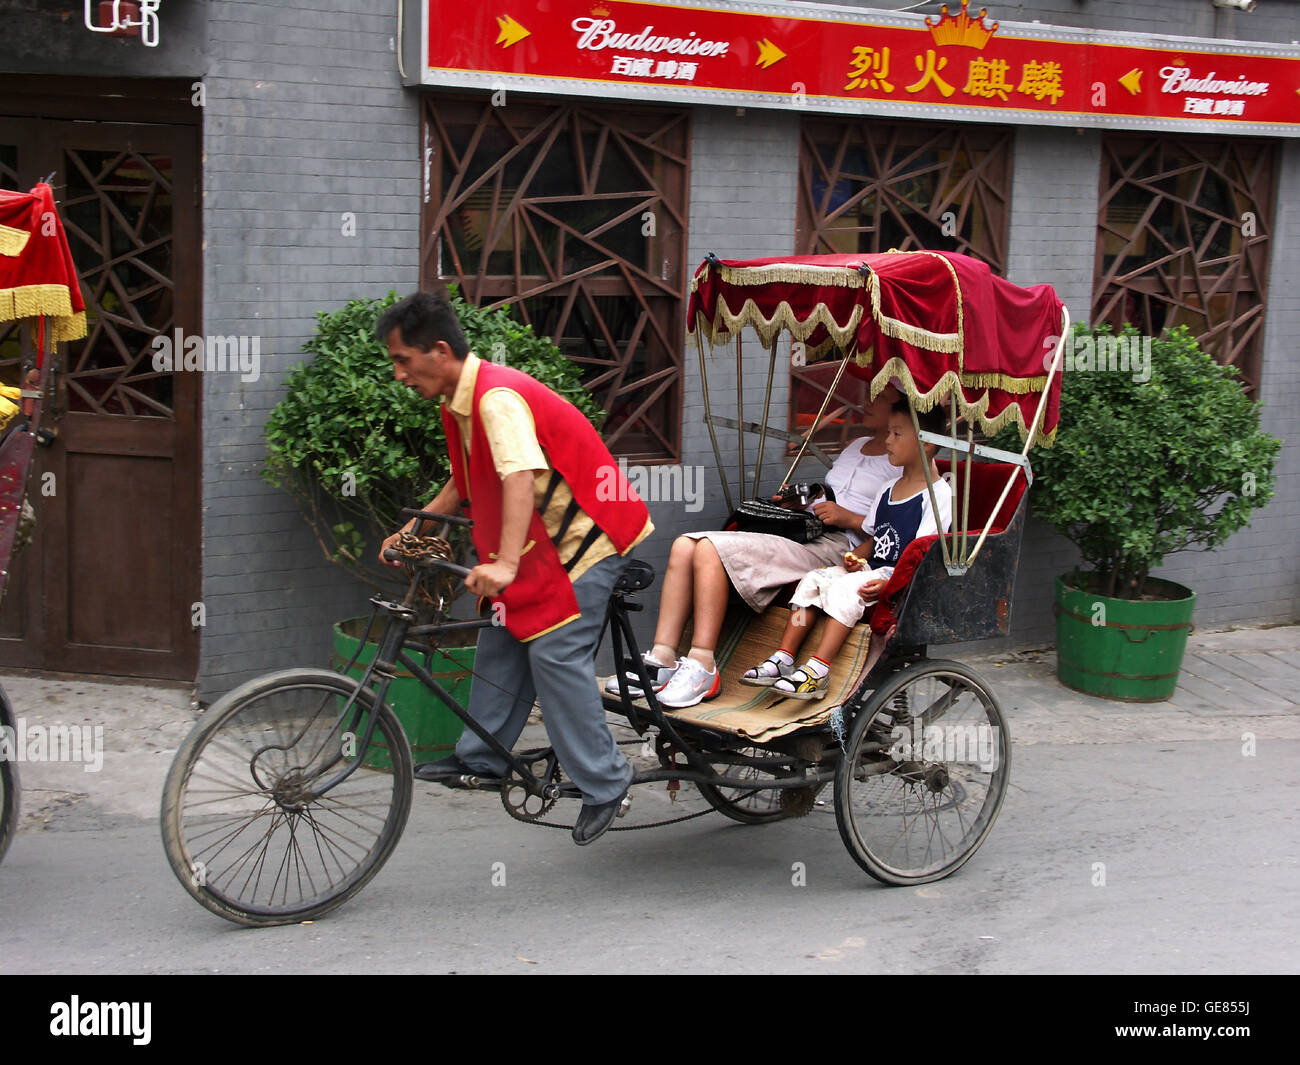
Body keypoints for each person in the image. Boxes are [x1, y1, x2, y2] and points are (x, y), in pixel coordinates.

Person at [376, 292, 654, 846]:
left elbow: (520, 476)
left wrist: (503, 563)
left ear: (438, 350)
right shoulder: (461, 400)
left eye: (403, 359)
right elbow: (467, 479)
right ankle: (484, 758)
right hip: (539, 544)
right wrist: (417, 530)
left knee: (556, 651)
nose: (399, 373)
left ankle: (607, 781)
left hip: (585, 539)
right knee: (502, 632)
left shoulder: (495, 398)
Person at [615, 382, 903, 709]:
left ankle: (702, 664)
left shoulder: (902, 462)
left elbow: (891, 528)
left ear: (902, 414)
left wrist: (847, 517)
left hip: (840, 548)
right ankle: (663, 657)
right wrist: (803, 502)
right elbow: (831, 496)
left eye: (881, 397)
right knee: (684, 544)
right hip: (805, 530)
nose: (868, 401)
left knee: (708, 547)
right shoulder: (856, 446)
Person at [745, 400, 952, 700]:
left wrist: (887, 584)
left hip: (897, 581)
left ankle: (818, 670)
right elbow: (874, 537)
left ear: (927, 445)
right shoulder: (888, 488)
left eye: (897, 434)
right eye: (889, 433)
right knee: (814, 579)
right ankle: (784, 657)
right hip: (873, 570)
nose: (888, 441)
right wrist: (859, 556)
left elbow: (922, 553)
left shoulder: (937, 496)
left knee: (846, 591)